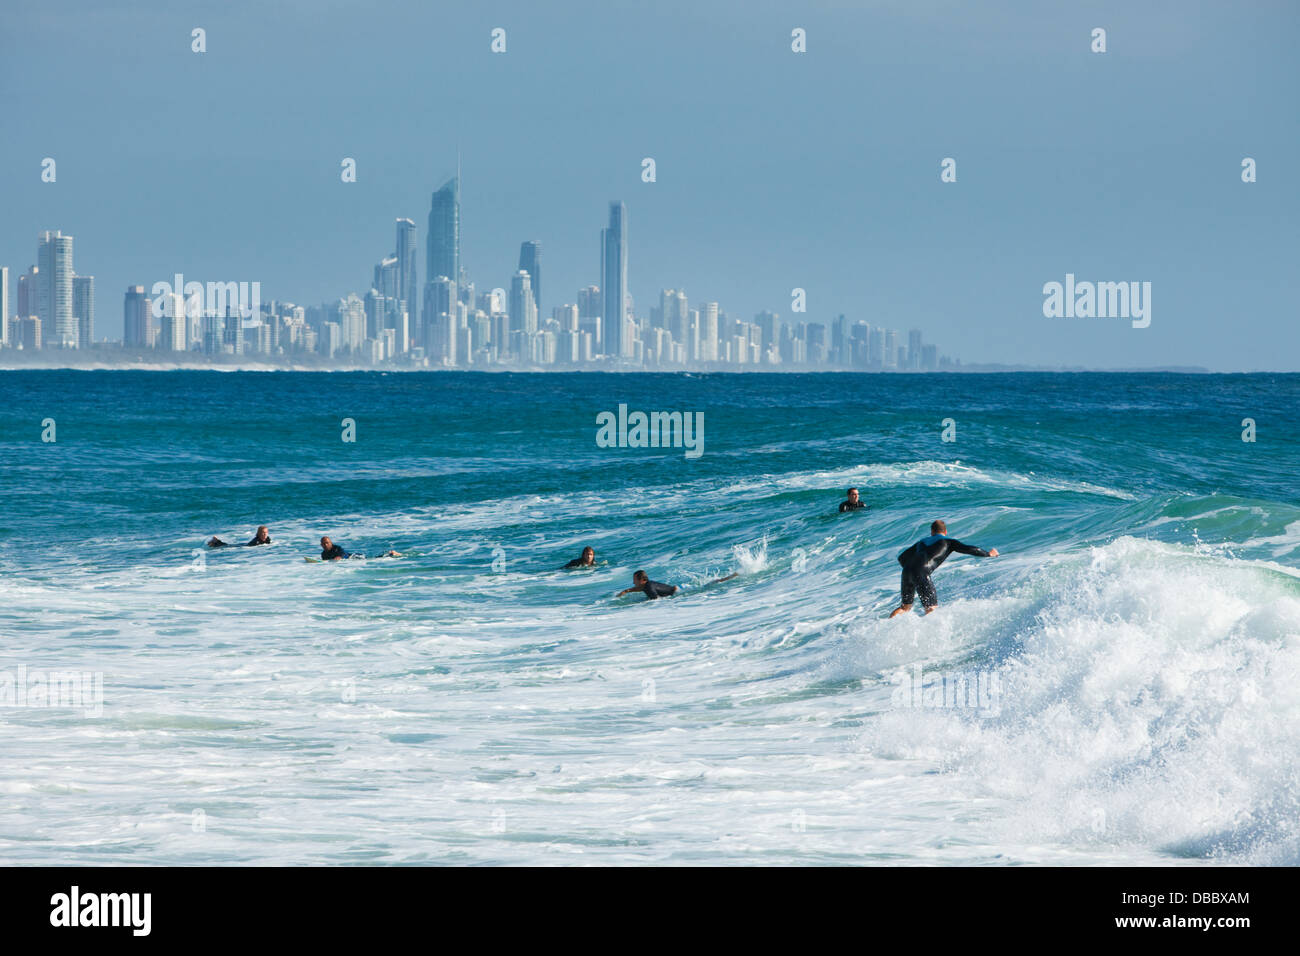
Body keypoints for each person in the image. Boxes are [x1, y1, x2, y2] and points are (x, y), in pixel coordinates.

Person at [889, 520, 998, 617]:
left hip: (906, 571)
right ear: (945, 532)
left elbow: (901, 558)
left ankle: (887, 626)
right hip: (921, 573)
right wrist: (988, 554)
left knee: (904, 608)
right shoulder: (949, 541)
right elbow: (969, 549)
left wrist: (912, 571)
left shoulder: (921, 542)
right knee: (931, 608)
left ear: (932, 532)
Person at [207, 526, 272, 548]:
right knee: (228, 546)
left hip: (244, 544)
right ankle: (215, 542)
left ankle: (215, 542)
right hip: (244, 546)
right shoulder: (256, 541)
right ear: (258, 533)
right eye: (262, 533)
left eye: (266, 532)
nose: (264, 534)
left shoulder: (268, 539)